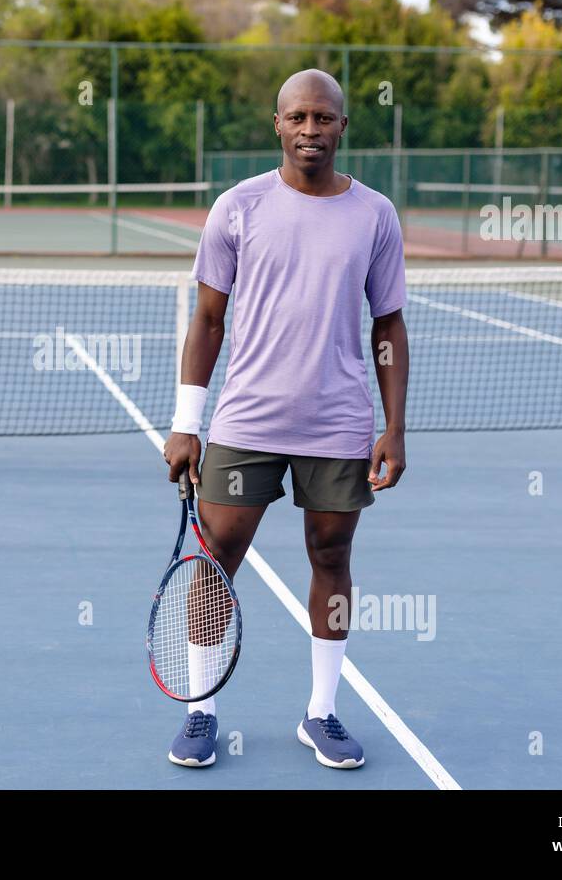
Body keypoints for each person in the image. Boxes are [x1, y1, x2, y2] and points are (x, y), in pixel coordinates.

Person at [162, 68, 408, 770]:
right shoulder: (237, 208)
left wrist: (394, 426)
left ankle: (322, 712)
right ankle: (200, 709)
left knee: (332, 558)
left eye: (323, 118)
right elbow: (207, 319)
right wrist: (187, 422)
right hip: (246, 425)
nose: (310, 130)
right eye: (297, 117)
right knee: (215, 564)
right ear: (277, 124)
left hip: (338, 425)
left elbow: (388, 324)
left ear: (342, 126)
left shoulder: (375, 215)